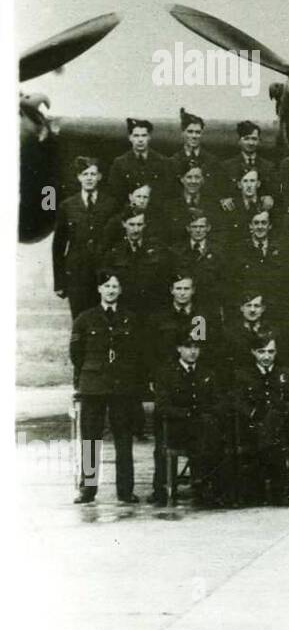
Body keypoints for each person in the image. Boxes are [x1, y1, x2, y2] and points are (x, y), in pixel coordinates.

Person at [70, 270, 146, 504]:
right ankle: (88, 489)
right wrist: (89, 374)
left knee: (124, 440)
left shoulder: (131, 318)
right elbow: (76, 353)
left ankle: (125, 490)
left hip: (122, 387)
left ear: (120, 290)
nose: (111, 290)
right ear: (99, 290)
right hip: (93, 386)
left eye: (115, 286)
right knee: (91, 439)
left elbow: (137, 352)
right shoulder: (85, 318)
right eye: (106, 286)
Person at [152, 331, 224, 507]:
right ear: (178, 349)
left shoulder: (207, 373)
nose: (193, 352)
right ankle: (198, 484)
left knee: (213, 433)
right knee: (204, 433)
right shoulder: (166, 373)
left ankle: (206, 485)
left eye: (196, 347)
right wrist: (188, 414)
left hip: (202, 428)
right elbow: (162, 407)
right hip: (177, 429)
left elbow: (218, 401)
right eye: (188, 347)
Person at [230, 331, 289, 506]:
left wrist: (283, 408)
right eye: (262, 351)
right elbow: (237, 401)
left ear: (276, 352)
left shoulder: (286, 373)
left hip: (282, 427)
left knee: (273, 424)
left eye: (270, 351)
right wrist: (253, 413)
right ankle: (278, 489)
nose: (266, 356)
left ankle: (259, 489)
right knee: (267, 433)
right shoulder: (243, 375)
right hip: (253, 427)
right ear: (253, 352)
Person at [53, 156, 114, 318]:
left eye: (93, 174)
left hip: (104, 274)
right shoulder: (67, 206)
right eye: (85, 174)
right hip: (77, 275)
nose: (89, 178)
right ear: (78, 177)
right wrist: (59, 282)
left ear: (99, 177)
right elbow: (58, 247)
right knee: (80, 319)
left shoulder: (110, 205)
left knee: (105, 318)